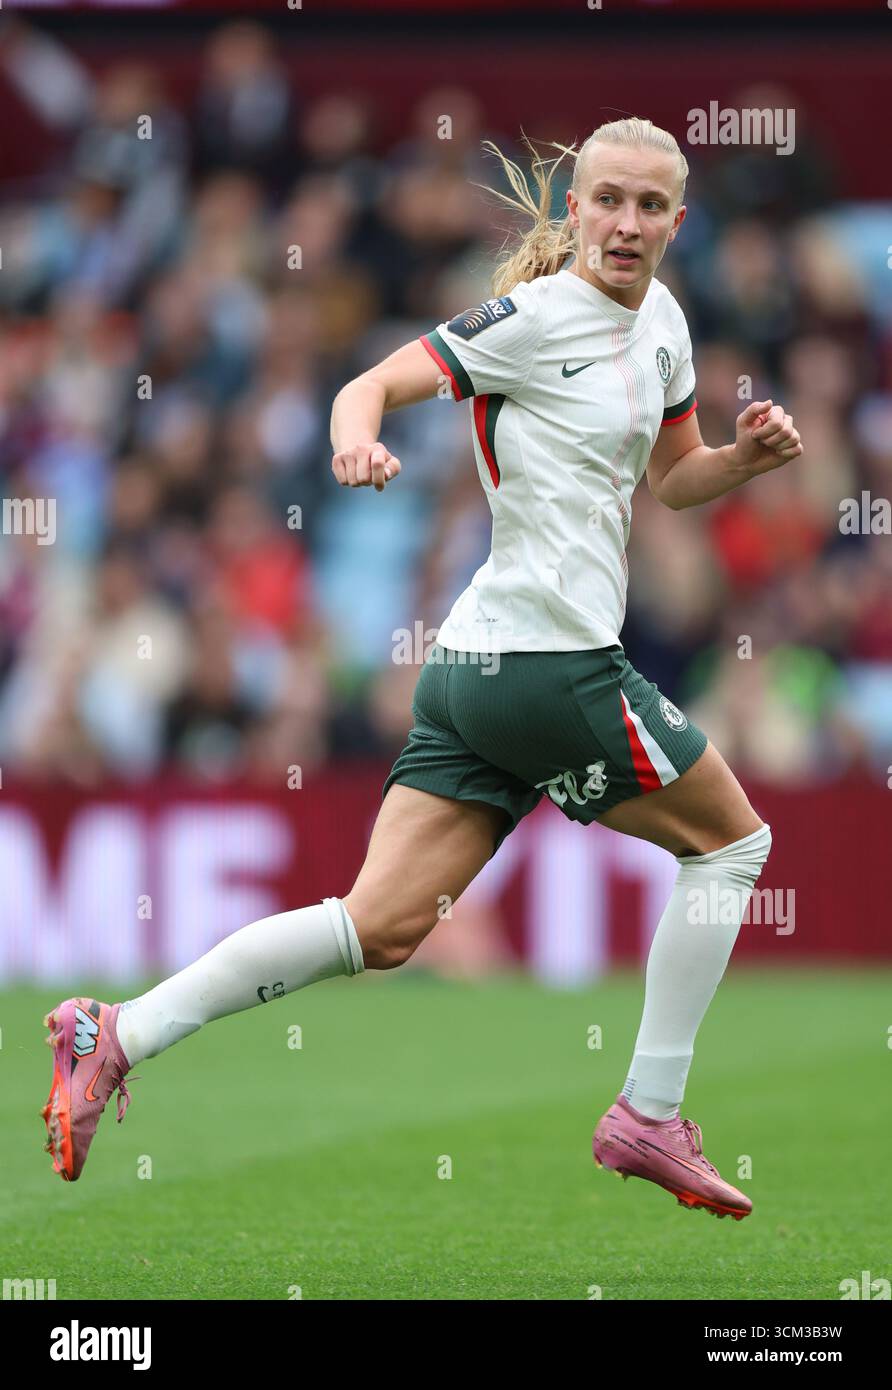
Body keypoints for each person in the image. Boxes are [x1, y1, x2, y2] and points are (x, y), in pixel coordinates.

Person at [43, 118, 801, 1220]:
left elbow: (675, 479)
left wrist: (743, 459)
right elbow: (373, 381)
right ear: (574, 208)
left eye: (650, 206)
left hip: (474, 668)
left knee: (376, 927)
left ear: (677, 223)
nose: (627, 223)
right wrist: (355, 437)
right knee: (735, 843)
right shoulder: (534, 320)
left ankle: (118, 1031)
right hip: (550, 665)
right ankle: (648, 1110)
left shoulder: (666, 327)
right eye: (608, 201)